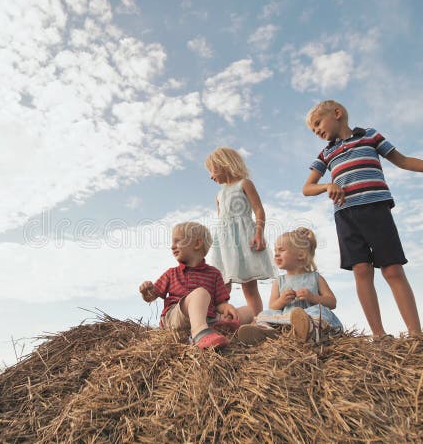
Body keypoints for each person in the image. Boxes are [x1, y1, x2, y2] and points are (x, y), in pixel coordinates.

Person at [302, 100, 423, 338]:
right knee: (361, 270)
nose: (317, 131)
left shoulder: (370, 136)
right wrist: (327, 186)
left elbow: (403, 161)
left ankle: (415, 334)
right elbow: (307, 188)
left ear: (337, 113)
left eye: (318, 123)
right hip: (346, 216)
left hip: (376, 210)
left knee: (392, 269)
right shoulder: (326, 153)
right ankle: (379, 335)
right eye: (313, 130)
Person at [139, 222, 254, 350]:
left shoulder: (214, 274)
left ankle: (218, 327)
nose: (172, 246)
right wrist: (147, 291)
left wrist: (227, 308)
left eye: (177, 241)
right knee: (201, 293)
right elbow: (152, 296)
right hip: (177, 317)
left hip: (208, 317)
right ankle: (199, 334)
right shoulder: (171, 273)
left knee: (248, 311)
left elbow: (220, 303)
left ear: (197, 244)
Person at [237, 228, 343, 345]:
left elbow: (332, 302)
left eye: (281, 250)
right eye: (275, 250)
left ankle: (310, 330)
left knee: (320, 311)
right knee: (264, 314)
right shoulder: (279, 281)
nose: (276, 254)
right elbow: (273, 306)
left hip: (309, 317)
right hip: (285, 319)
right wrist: (282, 300)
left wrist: (313, 298)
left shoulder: (315, 278)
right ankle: (265, 332)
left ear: (301, 255)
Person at [204, 147, 277, 316]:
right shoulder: (219, 195)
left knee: (249, 284)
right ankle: (222, 319)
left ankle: (257, 320)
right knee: (223, 283)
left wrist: (259, 233)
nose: (211, 176)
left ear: (224, 164)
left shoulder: (244, 184)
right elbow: (222, 221)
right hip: (225, 244)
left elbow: (259, 210)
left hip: (245, 239)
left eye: (212, 170)